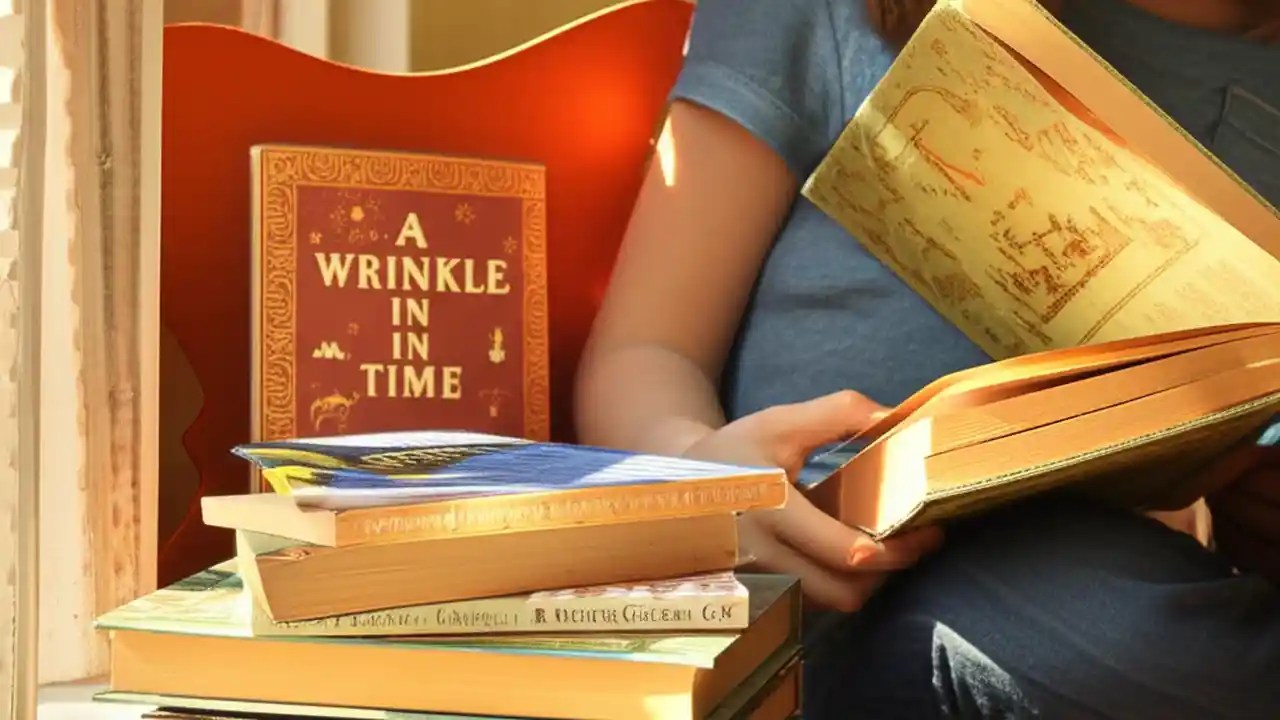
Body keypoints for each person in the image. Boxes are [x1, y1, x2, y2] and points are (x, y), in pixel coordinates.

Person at [574, 0, 1280, 716]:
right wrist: (706, 478)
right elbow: (644, 348)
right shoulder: (829, 14)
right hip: (824, 577)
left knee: (1140, 644)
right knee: (1125, 655)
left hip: (1130, 578)